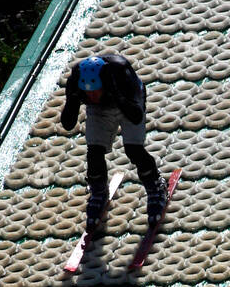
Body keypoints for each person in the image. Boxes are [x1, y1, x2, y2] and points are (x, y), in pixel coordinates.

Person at [60, 52, 168, 231]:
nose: (92, 96)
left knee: (133, 149)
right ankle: (98, 190)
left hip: (127, 100)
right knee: (94, 151)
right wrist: (73, 99)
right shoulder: (75, 81)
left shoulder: (121, 75)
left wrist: (117, 96)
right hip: (100, 109)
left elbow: (135, 117)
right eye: (88, 93)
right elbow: (68, 124)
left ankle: (155, 184)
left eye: (96, 91)